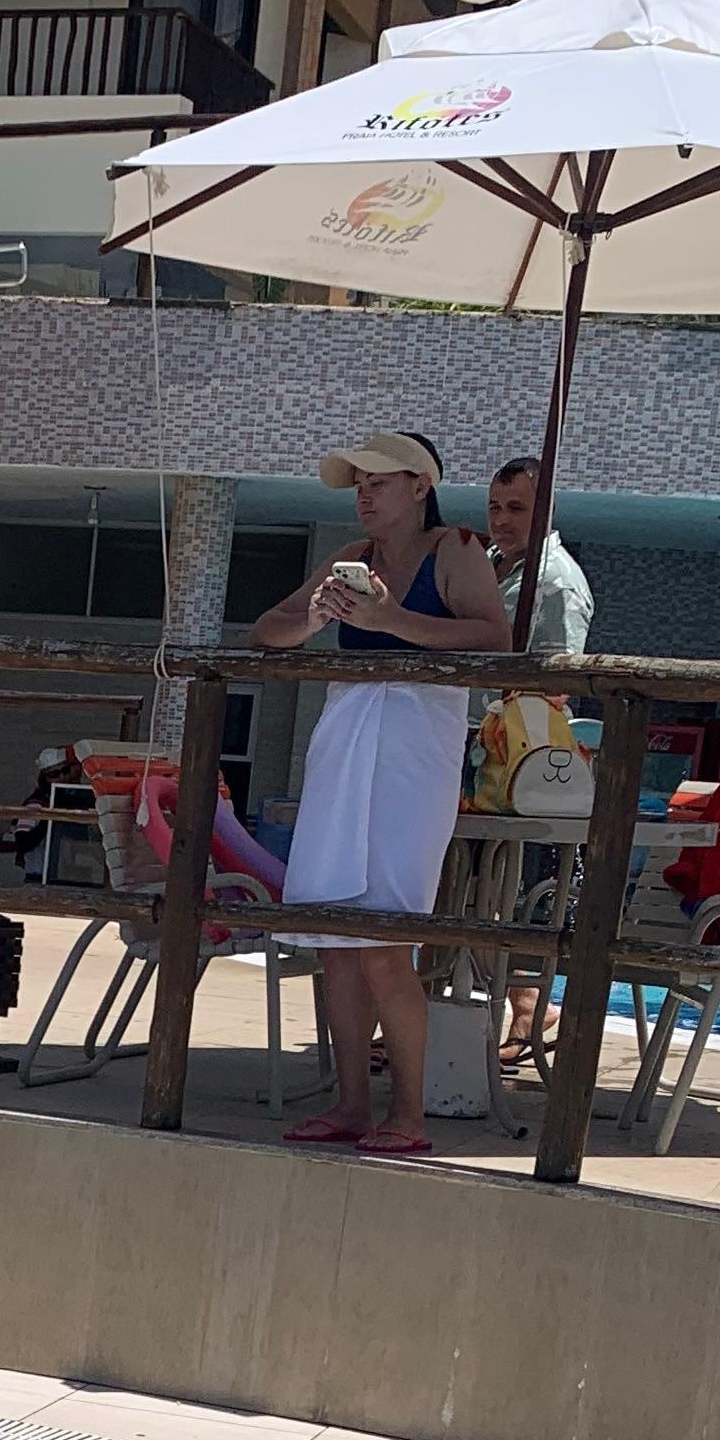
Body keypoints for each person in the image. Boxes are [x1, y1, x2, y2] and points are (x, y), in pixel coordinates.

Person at [253, 434, 508, 1158]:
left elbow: (497, 638)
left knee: (384, 944)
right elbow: (269, 629)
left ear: (419, 485)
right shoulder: (351, 561)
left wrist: (392, 622)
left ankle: (410, 1116)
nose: (364, 495)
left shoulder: (456, 549)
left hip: (415, 743)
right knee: (336, 938)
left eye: (378, 482)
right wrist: (318, 618)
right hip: (346, 734)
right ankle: (352, 1104)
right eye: (358, 484)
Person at [486, 458, 594, 660]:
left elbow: (556, 682)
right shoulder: (485, 561)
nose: (500, 520)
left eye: (515, 508)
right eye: (495, 507)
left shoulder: (558, 582)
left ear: (546, 511)